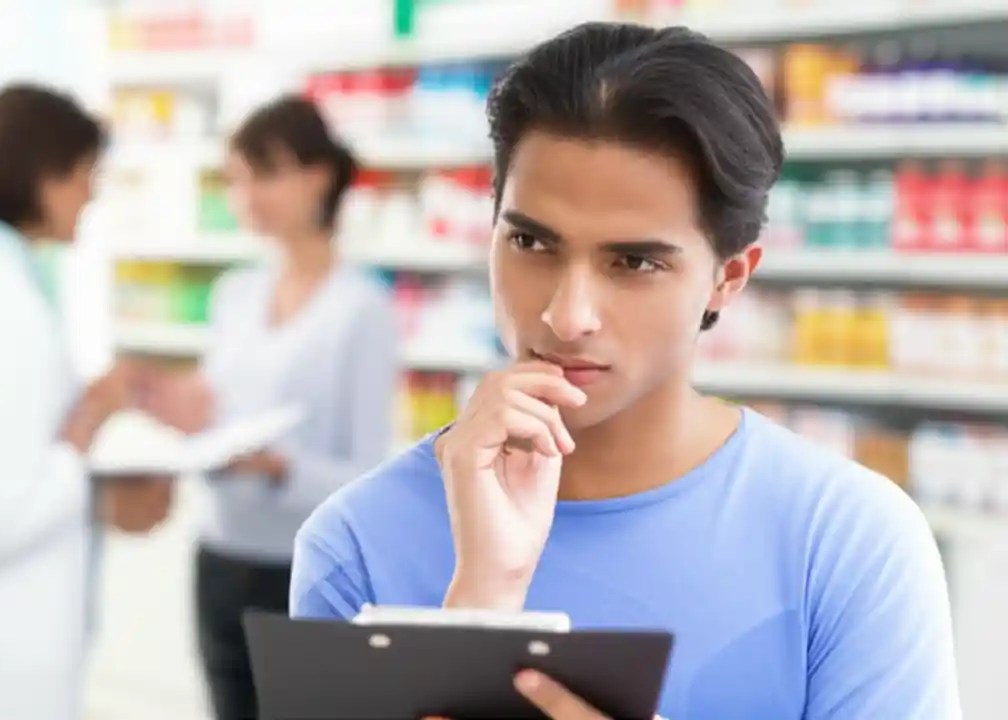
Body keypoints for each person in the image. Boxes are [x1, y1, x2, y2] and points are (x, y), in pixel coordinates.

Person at [290, 23, 960, 720]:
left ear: (727, 278)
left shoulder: (849, 541)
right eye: (530, 241)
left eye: (634, 262)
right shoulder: (356, 543)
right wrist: (481, 601)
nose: (567, 314)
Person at [0, 84, 174, 720]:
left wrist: (89, 404)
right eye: (87, 175)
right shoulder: (3, 305)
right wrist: (92, 426)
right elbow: (0, 516)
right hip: (9, 655)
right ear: (44, 177)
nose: (92, 194)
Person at [178, 95, 400, 720]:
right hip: (219, 556)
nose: (248, 196)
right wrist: (183, 418)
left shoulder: (361, 309)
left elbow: (365, 473)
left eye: (266, 174)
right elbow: (217, 414)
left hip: (302, 572)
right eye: (237, 179)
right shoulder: (234, 294)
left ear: (318, 176)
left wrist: (281, 468)